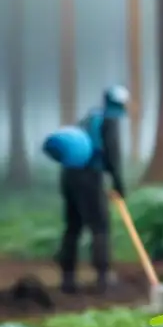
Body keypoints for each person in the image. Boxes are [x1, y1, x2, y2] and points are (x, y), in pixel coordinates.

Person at [44, 85, 128, 294]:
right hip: (90, 176)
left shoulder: (90, 118)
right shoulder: (109, 120)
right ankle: (103, 277)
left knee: (73, 227)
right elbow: (112, 154)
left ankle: (68, 278)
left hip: (69, 175)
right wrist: (118, 182)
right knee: (100, 226)